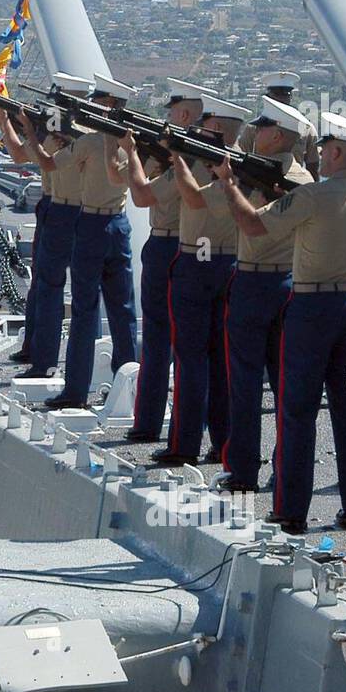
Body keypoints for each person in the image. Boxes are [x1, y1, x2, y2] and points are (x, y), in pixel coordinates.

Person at [213, 111, 346, 534]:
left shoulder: (314, 197)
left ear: (339, 151)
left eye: (328, 149)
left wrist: (229, 183)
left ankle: (291, 510)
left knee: (297, 410)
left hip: (311, 312)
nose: (322, 155)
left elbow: (253, 225)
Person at [208, 97, 314, 493]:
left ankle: (243, 470)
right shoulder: (302, 180)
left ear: (279, 135)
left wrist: (229, 184)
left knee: (245, 383)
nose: (255, 133)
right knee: (284, 384)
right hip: (285, 286)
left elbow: (247, 222)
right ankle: (280, 469)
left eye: (263, 128)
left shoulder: (288, 182)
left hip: (256, 283)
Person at [153, 94, 250, 466]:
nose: (201, 129)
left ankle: (184, 443)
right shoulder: (240, 164)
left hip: (199, 262)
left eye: (207, 124)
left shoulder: (229, 167)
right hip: (227, 262)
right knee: (220, 360)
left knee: (190, 358)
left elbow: (194, 200)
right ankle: (222, 442)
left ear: (219, 128)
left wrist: (177, 158)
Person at [121, 78, 216, 441]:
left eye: (175, 112)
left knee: (160, 339)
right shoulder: (196, 155)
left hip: (168, 248)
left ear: (188, 113)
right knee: (191, 343)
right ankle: (194, 425)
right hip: (191, 250)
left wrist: (132, 153)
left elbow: (142, 196)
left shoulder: (187, 160)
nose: (170, 118)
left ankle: (149, 423)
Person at [46, 73, 139, 410]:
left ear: (109, 105)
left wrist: (32, 134)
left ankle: (76, 391)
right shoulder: (133, 141)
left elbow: (47, 163)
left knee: (85, 311)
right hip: (119, 225)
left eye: (99, 100)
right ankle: (128, 388)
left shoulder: (90, 142)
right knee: (123, 310)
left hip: (91, 224)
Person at [0, 109, 81, 379]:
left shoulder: (69, 138)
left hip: (64, 210)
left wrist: (6, 123)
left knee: (48, 286)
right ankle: (33, 348)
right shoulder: (65, 134)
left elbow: (20, 156)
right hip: (53, 205)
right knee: (40, 286)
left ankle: (42, 359)